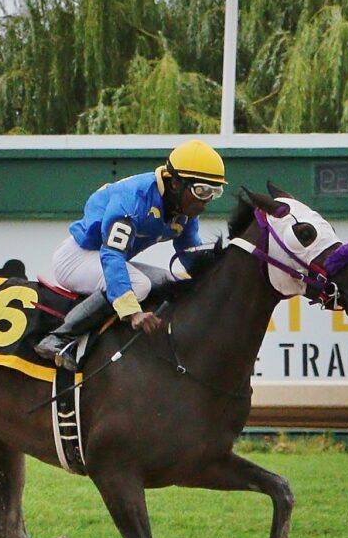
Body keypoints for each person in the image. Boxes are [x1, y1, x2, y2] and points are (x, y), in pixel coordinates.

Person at [34, 139, 226, 371]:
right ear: (175, 183)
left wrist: (218, 280)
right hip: (76, 258)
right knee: (139, 285)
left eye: (214, 193)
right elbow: (112, 255)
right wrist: (132, 311)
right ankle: (57, 338)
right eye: (201, 191)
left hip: (106, 258)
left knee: (171, 282)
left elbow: (190, 255)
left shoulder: (184, 210)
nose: (205, 201)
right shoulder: (133, 201)